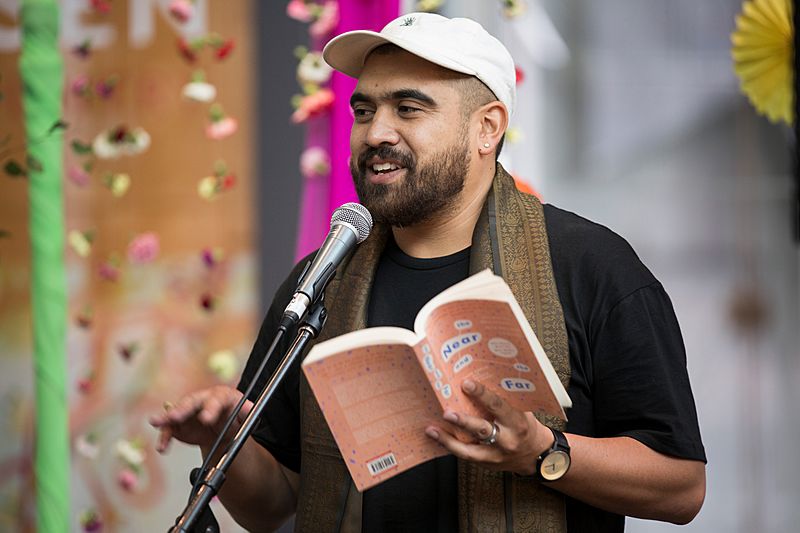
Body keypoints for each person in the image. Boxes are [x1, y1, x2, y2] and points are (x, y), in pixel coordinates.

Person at [150, 12, 706, 533]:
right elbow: (272, 505)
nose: (375, 134)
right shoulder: (320, 282)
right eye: (364, 111)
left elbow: (681, 488)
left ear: (487, 129)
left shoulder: (592, 266)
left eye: (408, 109)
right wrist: (225, 443)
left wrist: (541, 451)